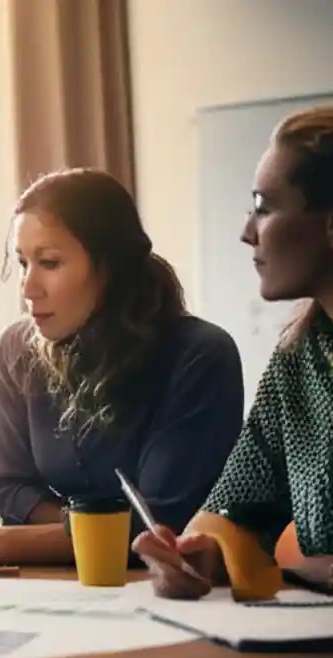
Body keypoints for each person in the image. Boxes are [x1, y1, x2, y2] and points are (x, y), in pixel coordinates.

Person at [0, 169, 244, 567]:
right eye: (23, 263)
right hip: (63, 582)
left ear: (112, 267)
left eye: (49, 262)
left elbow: (161, 526)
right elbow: (9, 487)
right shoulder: (17, 349)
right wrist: (86, 532)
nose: (28, 288)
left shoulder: (200, 355)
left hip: (163, 585)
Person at [135, 106, 333, 599]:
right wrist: (197, 555)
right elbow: (238, 506)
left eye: (264, 207)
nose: (248, 231)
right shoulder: (299, 359)